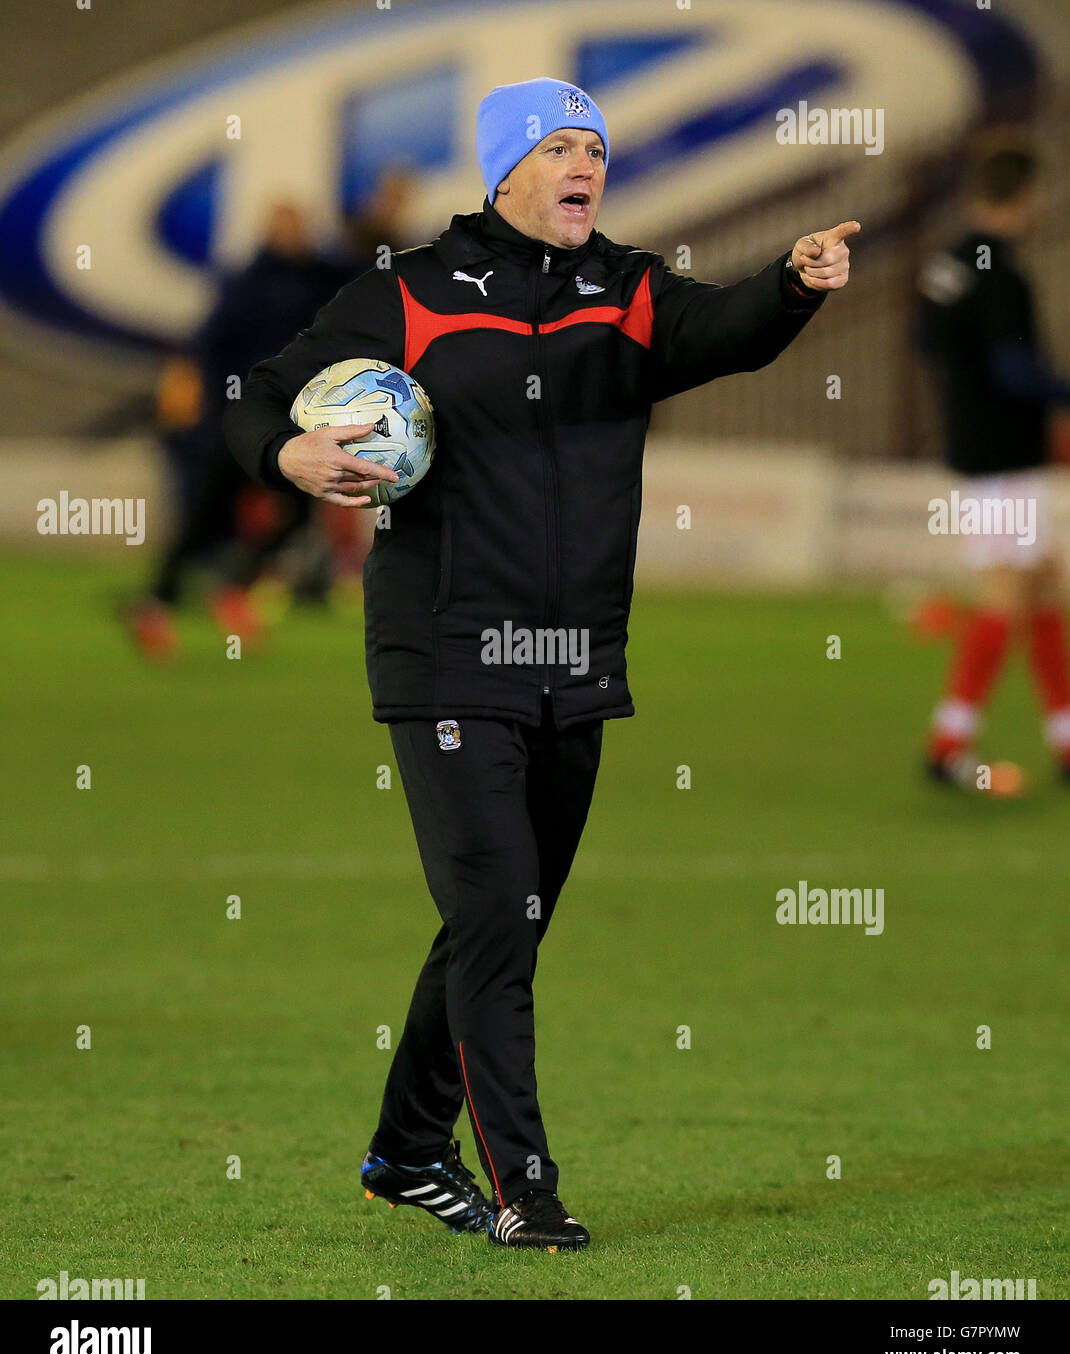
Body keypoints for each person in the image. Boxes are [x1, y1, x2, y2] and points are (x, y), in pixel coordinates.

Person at [224, 77, 857, 1251]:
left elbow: (722, 328)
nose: (584, 166)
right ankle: (525, 1187)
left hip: (572, 661)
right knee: (492, 925)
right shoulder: (404, 289)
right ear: (506, 167)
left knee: (496, 924)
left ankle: (406, 1151)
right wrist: (287, 451)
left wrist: (789, 284)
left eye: (595, 150)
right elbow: (257, 395)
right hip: (446, 653)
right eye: (561, 147)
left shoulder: (624, 291)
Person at [125, 202, 347, 658]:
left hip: (292, 424)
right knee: (207, 519)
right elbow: (209, 348)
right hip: (243, 421)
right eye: (283, 224)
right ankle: (158, 603)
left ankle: (233, 586)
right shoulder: (247, 285)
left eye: (298, 224)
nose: (293, 234)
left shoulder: (318, 279)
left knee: (299, 514)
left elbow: (360, 270)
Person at [919, 137, 1070, 787]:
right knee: (1007, 593)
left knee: (1038, 583)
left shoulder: (946, 264)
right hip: (1007, 455)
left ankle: (1065, 741)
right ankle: (949, 747)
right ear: (1025, 194)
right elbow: (1015, 370)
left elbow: (924, 342)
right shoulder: (1001, 273)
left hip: (972, 448)